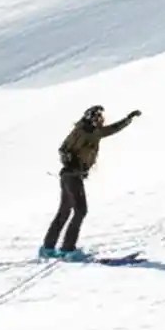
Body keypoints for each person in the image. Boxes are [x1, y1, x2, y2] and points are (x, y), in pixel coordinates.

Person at [41, 105, 142, 260]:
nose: (101, 120)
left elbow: (112, 129)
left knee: (65, 211)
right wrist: (71, 161)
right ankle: (68, 249)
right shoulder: (85, 131)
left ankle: (48, 248)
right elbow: (64, 149)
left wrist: (128, 119)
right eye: (99, 117)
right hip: (72, 176)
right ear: (91, 117)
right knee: (80, 210)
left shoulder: (88, 131)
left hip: (70, 176)